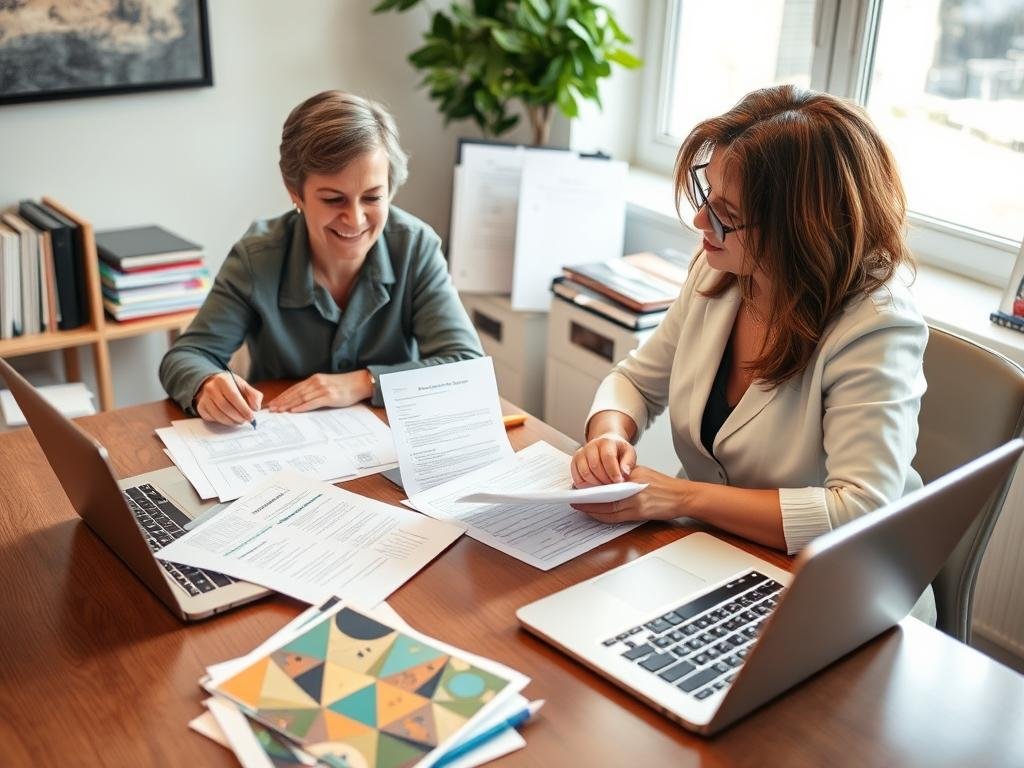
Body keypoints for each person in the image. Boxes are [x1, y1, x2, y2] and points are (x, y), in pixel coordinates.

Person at [571, 86, 929, 569]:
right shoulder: (720, 272)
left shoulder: (877, 328)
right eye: (708, 196)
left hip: (830, 581)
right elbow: (634, 381)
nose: (701, 220)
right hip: (711, 555)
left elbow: (858, 508)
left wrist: (680, 498)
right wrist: (609, 436)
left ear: (801, 230)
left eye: (727, 215)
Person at [160, 91, 483, 424]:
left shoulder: (416, 247)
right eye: (333, 199)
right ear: (295, 192)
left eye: (372, 197)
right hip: (283, 443)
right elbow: (187, 355)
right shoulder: (257, 258)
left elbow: (466, 364)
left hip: (391, 444)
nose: (355, 219)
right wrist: (207, 384)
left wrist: (363, 382)